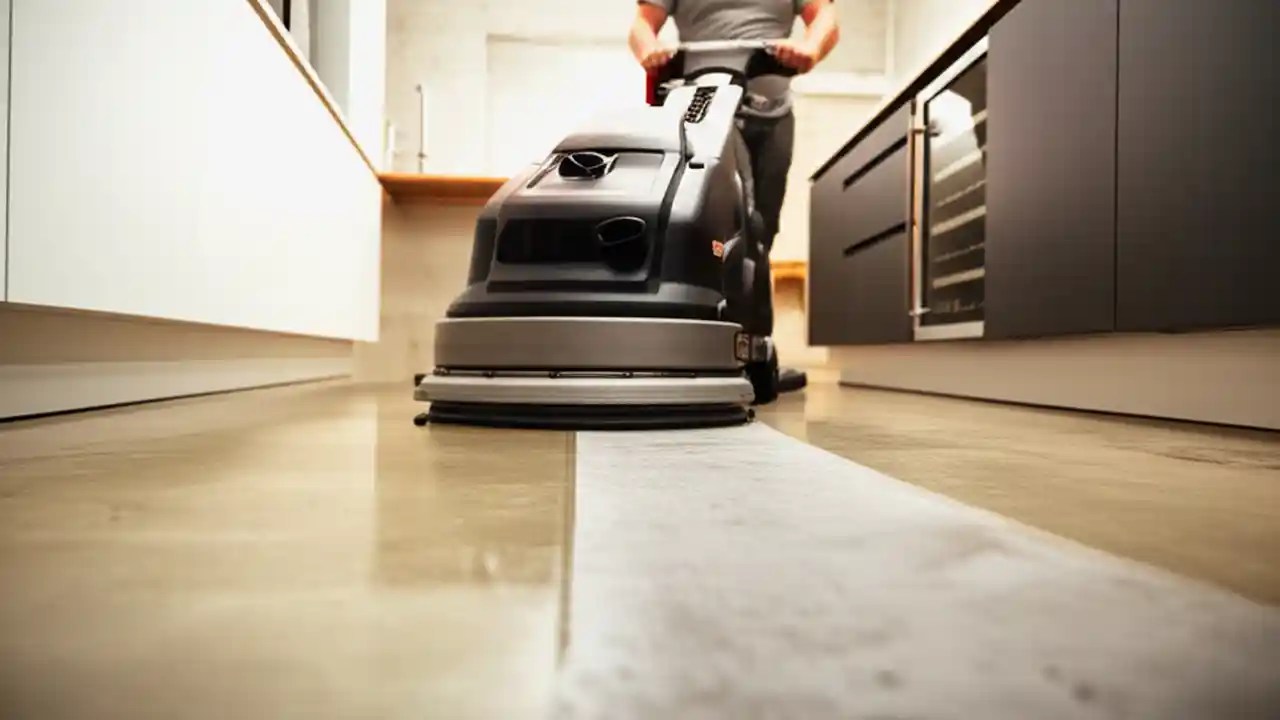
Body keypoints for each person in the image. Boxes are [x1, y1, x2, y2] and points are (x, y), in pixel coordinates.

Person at [628, 0, 840, 394]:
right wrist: (649, 52)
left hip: (772, 113)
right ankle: (712, 349)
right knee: (716, 224)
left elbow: (824, 18)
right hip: (705, 108)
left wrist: (809, 50)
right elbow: (642, 24)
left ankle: (755, 349)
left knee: (761, 232)